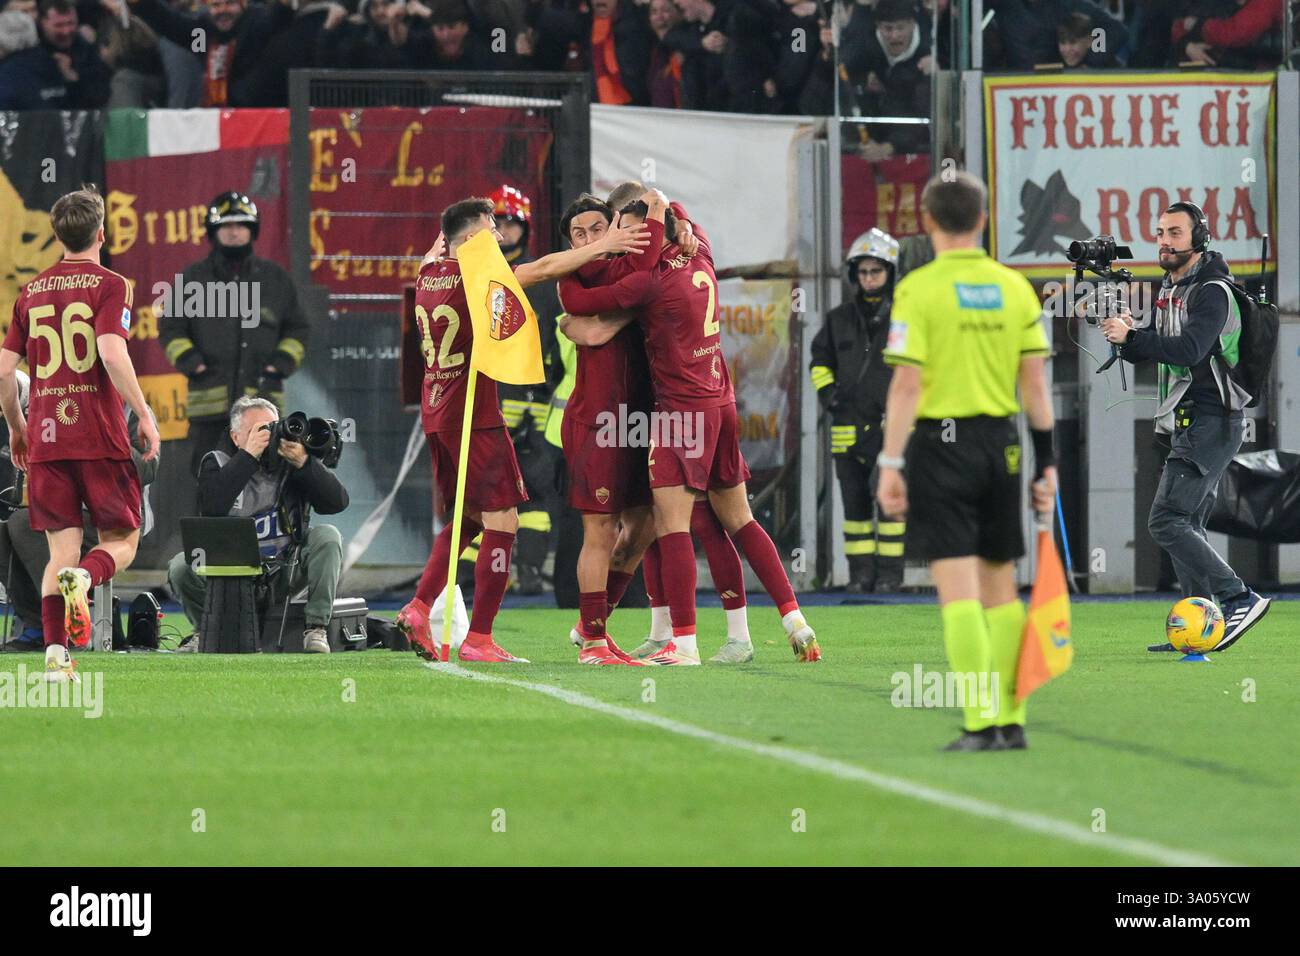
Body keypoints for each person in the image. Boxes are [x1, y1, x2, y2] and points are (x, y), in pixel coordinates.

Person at [558, 190, 819, 665]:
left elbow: (583, 309)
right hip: (721, 398)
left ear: (643, 231)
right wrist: (669, 214)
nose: (618, 242)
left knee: (672, 523)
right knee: (732, 518)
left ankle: (683, 640)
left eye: (623, 231)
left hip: (679, 409)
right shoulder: (699, 245)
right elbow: (667, 208)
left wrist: (569, 320)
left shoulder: (646, 279)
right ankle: (781, 623)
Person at [393, 196, 650, 664]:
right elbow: (545, 268)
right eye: (491, 230)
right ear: (471, 240)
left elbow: (446, 256)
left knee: (469, 519)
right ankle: (480, 639)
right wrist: (605, 245)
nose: (499, 238)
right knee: (504, 520)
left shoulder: (428, 272)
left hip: (439, 413)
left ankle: (418, 606)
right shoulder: (474, 274)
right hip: (474, 417)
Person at [877, 171, 1055, 752]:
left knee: (958, 593)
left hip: (941, 447)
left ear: (926, 222)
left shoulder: (919, 289)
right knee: (1002, 592)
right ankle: (1012, 719)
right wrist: (1045, 463)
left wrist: (889, 462)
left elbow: (907, 383)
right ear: (984, 219)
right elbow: (1035, 385)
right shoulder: (1014, 288)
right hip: (1001, 445)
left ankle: (979, 722)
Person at [0, 186, 161, 683]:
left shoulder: (31, 291)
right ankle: (86, 578)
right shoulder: (111, 284)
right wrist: (145, 412)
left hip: (47, 439)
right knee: (123, 539)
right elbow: (112, 353)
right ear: (102, 233)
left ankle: (55, 658)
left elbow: (4, 371)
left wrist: (17, 426)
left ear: (56, 235)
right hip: (98, 436)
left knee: (59, 552)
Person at [1101, 201, 1271, 652]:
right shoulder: (1173, 285)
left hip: (1212, 419)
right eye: (1160, 231)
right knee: (1187, 522)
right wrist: (1128, 336)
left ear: (1200, 238)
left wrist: (1136, 338)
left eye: (1175, 232)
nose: (1164, 240)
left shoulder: (1212, 290)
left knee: (1166, 521)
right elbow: (1161, 349)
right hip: (1189, 419)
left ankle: (1239, 597)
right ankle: (1200, 629)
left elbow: (1191, 350)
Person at [165, 396, 348, 653]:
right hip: (229, 575)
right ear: (236, 436)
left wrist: (305, 465)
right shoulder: (217, 462)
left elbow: (337, 502)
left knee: (327, 536)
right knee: (181, 565)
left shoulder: (293, 462)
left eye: (272, 428)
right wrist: (248, 456)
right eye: (257, 431)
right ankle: (205, 632)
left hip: (284, 570)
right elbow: (212, 507)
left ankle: (315, 629)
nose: (268, 437)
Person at [160, 191, 311, 480]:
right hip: (210, 408)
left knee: (267, 480)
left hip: (264, 406)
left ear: (252, 231)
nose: (233, 231)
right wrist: (194, 364)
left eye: (241, 225)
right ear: (213, 231)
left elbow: (298, 328)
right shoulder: (193, 279)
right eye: (226, 225)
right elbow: (171, 328)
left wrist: (280, 364)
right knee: (211, 480)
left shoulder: (275, 279)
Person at [810, 228, 906, 593]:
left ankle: (891, 578)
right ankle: (860, 576)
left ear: (890, 273)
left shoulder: (905, 318)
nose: (869, 279)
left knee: (891, 507)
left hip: (889, 429)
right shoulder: (838, 320)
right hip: (846, 428)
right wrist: (829, 395)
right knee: (855, 511)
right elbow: (819, 362)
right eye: (863, 272)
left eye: (876, 272)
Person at [488, 184, 561, 597]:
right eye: (498, 223)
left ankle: (530, 570)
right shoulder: (480, 273)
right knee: (488, 488)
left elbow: (552, 341)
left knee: (533, 490)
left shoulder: (542, 278)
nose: (505, 231)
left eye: (512, 223)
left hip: (533, 399)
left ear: (525, 229)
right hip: (492, 397)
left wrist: (541, 394)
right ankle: (470, 573)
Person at [124, 0, 298, 106]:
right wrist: (139, 4)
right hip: (216, 120)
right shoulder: (204, 34)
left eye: (230, 3)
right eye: (216, 5)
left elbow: (279, 16)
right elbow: (172, 25)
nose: (223, 10)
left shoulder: (258, 23)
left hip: (258, 117)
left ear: (243, 4)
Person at [0, 0, 110, 109]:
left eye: (70, 23)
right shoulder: (29, 54)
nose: (66, 31)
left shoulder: (84, 50)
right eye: (59, 25)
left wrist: (73, 78)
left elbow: (100, 96)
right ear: (43, 23)